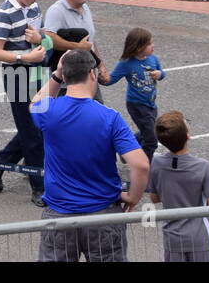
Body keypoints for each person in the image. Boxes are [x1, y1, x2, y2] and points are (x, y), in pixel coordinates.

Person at [31, 49, 149, 262]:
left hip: (59, 215)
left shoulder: (49, 112)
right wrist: (133, 196)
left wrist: (56, 76)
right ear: (92, 74)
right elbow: (141, 165)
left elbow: (35, 102)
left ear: (65, 76)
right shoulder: (110, 117)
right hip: (102, 215)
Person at [0, 0, 50, 206]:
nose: (36, 0)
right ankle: (38, 187)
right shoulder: (3, 13)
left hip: (36, 68)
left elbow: (39, 34)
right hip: (16, 72)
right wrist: (25, 58)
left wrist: (39, 40)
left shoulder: (32, 6)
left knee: (38, 125)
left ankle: (2, 159)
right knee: (31, 132)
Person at [148, 110, 209, 262]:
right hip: (200, 237)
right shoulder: (203, 167)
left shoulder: (156, 163)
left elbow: (154, 198)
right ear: (188, 136)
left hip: (172, 238)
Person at [102, 27, 166, 162]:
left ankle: (125, 151)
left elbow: (162, 72)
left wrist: (160, 74)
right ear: (138, 47)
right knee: (151, 139)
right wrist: (101, 78)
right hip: (136, 105)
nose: (153, 46)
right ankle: (146, 166)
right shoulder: (126, 63)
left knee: (146, 131)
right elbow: (111, 79)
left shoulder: (153, 59)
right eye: (149, 44)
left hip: (151, 103)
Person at [43, 0, 104, 99]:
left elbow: (90, 42)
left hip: (88, 76)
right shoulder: (56, 11)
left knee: (96, 115)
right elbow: (49, 38)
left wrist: (101, 66)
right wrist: (78, 47)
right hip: (67, 84)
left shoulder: (85, 8)